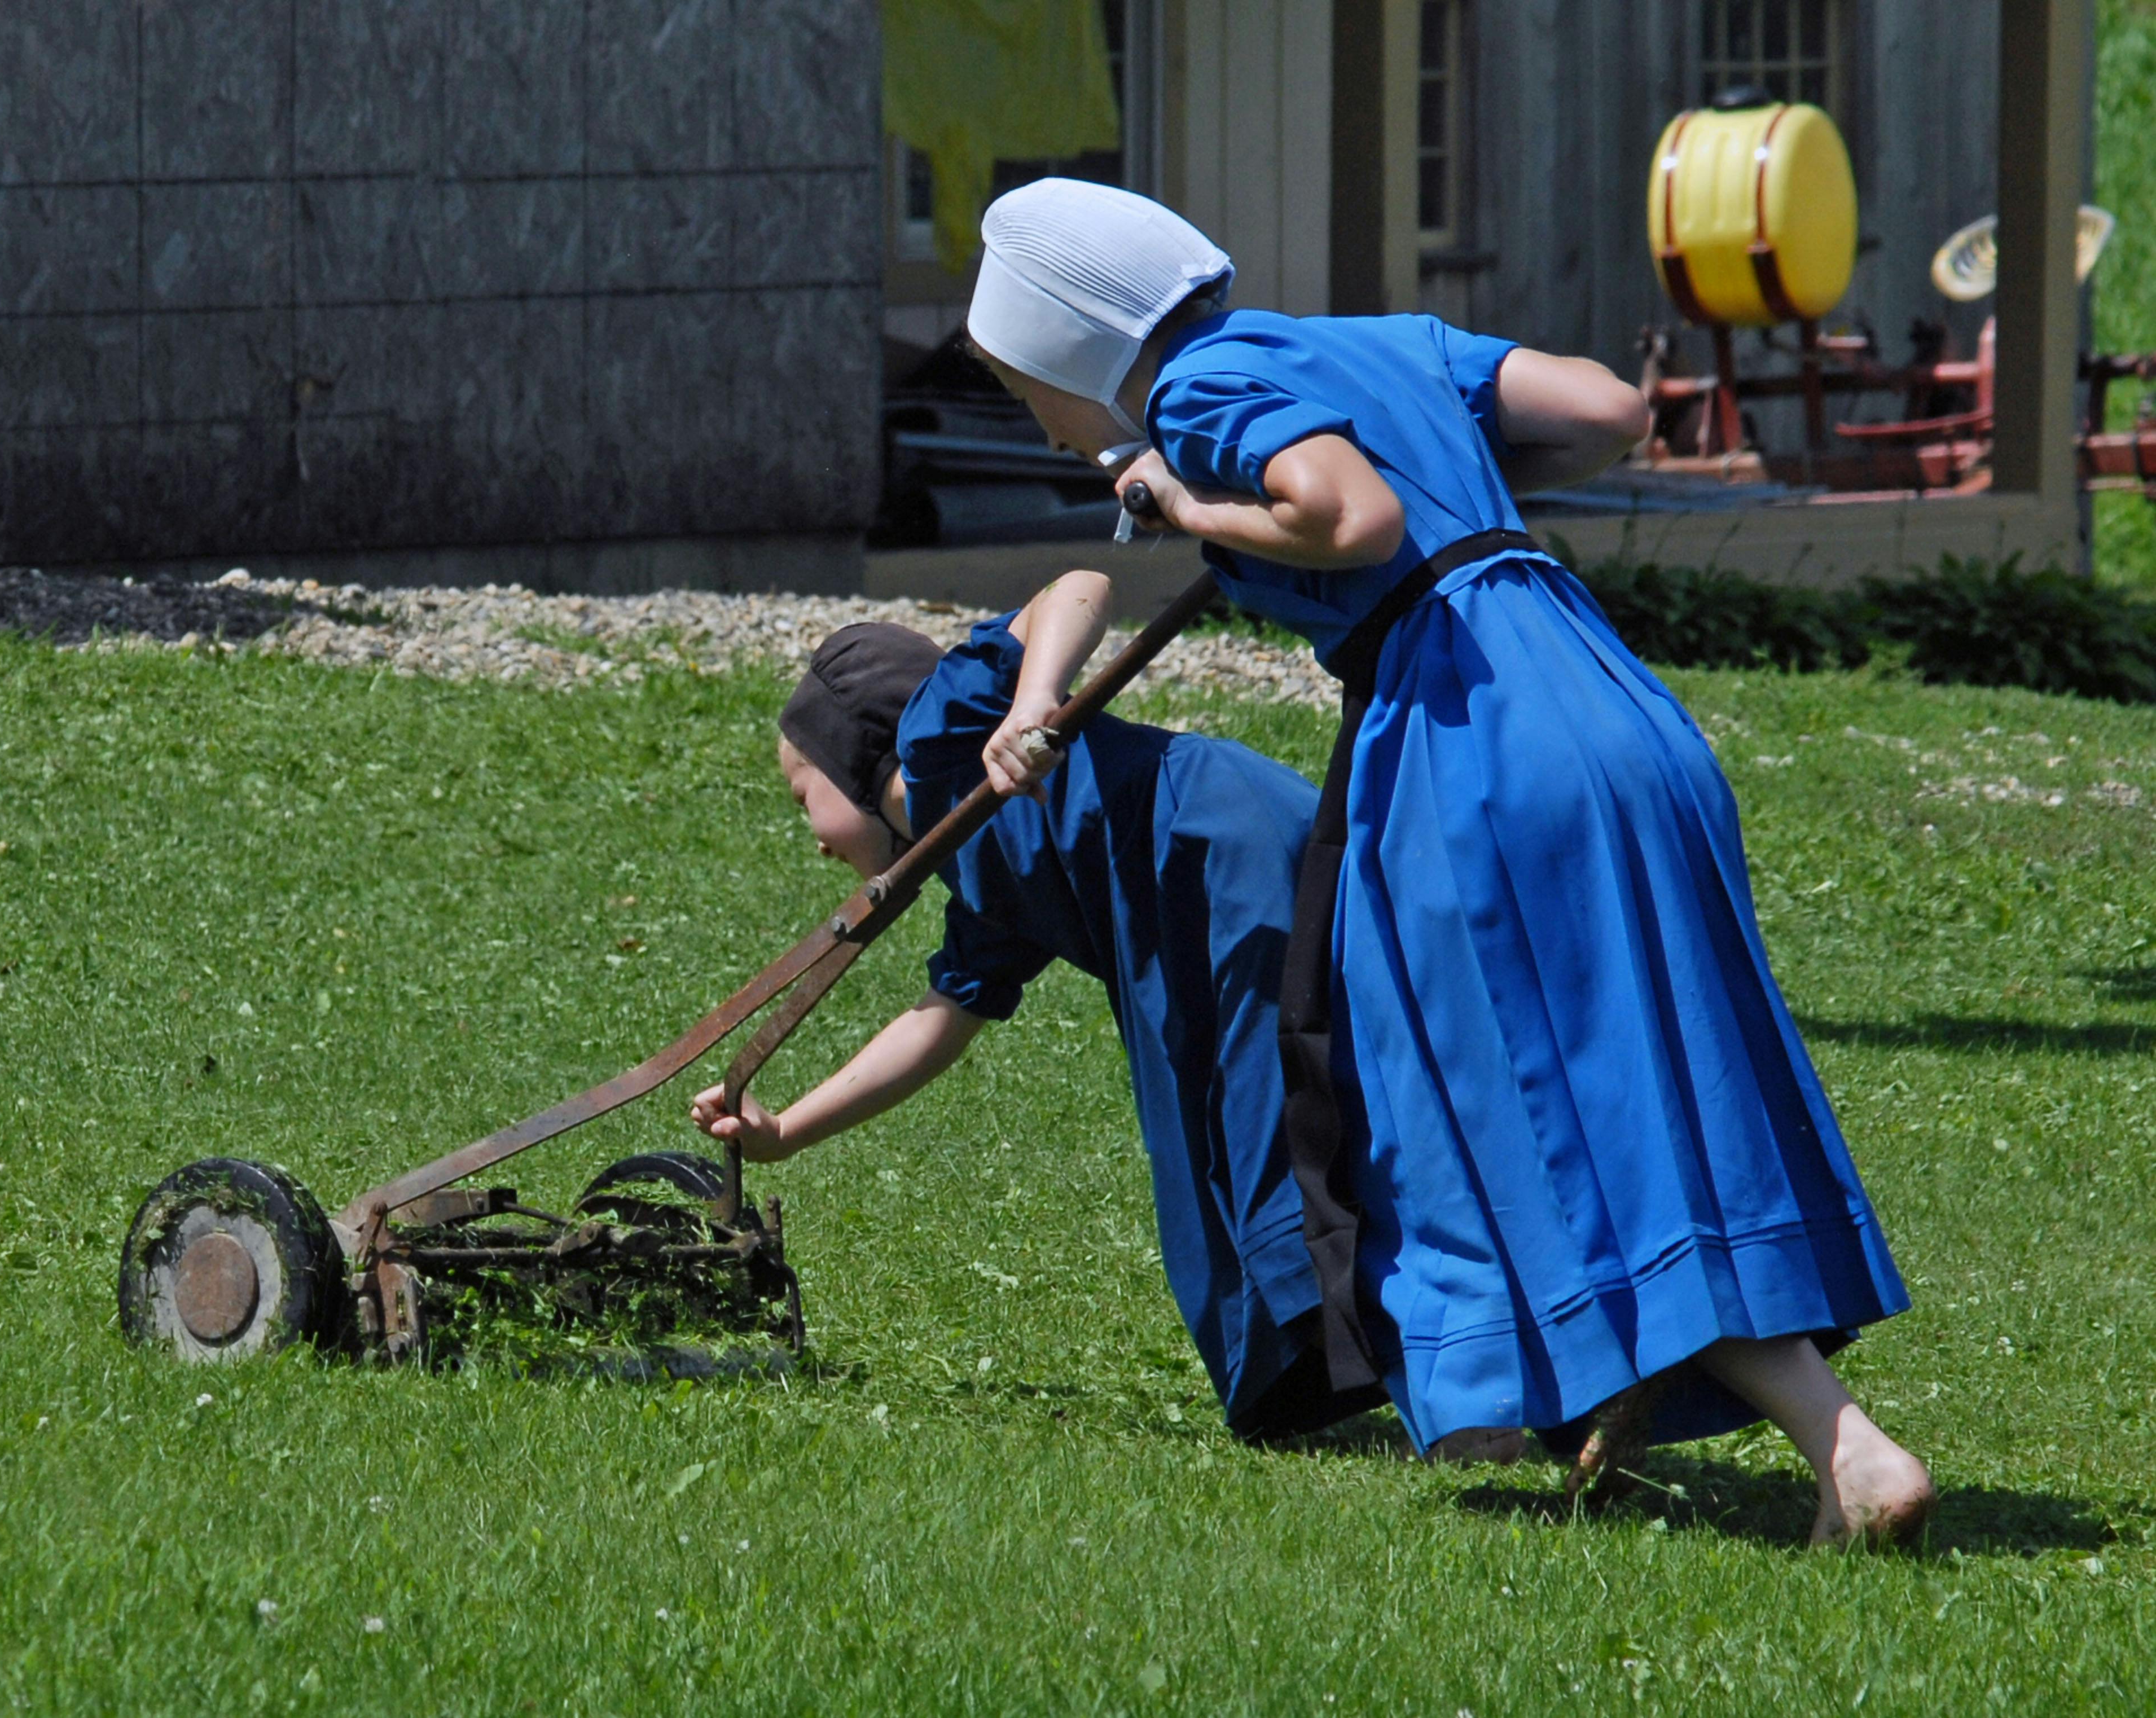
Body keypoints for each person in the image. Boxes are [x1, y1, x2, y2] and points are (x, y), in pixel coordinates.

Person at [959, 177, 1932, 1546]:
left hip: (1474, 740)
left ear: (1070, 348)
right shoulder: (1371, 345)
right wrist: (1444, 479)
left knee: (1495, 1103)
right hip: (1603, 695)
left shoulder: (1198, 387)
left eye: (1024, 390)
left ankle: (1846, 1447)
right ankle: (1620, 1382)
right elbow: (1606, 410)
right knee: (1634, 1075)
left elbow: (1345, 519)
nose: (1041, 422)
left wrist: (1190, 500)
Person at [688, 574, 1410, 1445]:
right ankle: (1314, 1375)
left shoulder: (944, 730)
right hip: (1179, 931)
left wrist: (1031, 703)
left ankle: (1408, 1357)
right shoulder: (978, 875)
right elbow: (936, 1021)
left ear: (852, 756)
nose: (811, 835)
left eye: (805, 797)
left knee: (1266, 1124)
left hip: (1223, 857)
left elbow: (1081, 586)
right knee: (1212, 1151)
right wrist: (787, 1130)